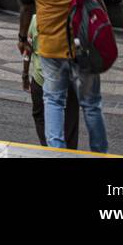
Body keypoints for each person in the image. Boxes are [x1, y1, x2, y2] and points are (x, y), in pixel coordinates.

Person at [17, 0, 109, 154]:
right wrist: (104, 32)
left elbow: (26, 9)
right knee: (91, 105)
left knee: (54, 102)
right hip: (82, 46)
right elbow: (98, 1)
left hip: (51, 48)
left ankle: (57, 153)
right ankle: (100, 152)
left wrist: (22, 37)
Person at [23, 13, 79, 149]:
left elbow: (27, 51)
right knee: (70, 119)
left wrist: (25, 74)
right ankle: (69, 152)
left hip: (41, 79)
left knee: (40, 115)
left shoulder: (35, 19)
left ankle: (48, 148)